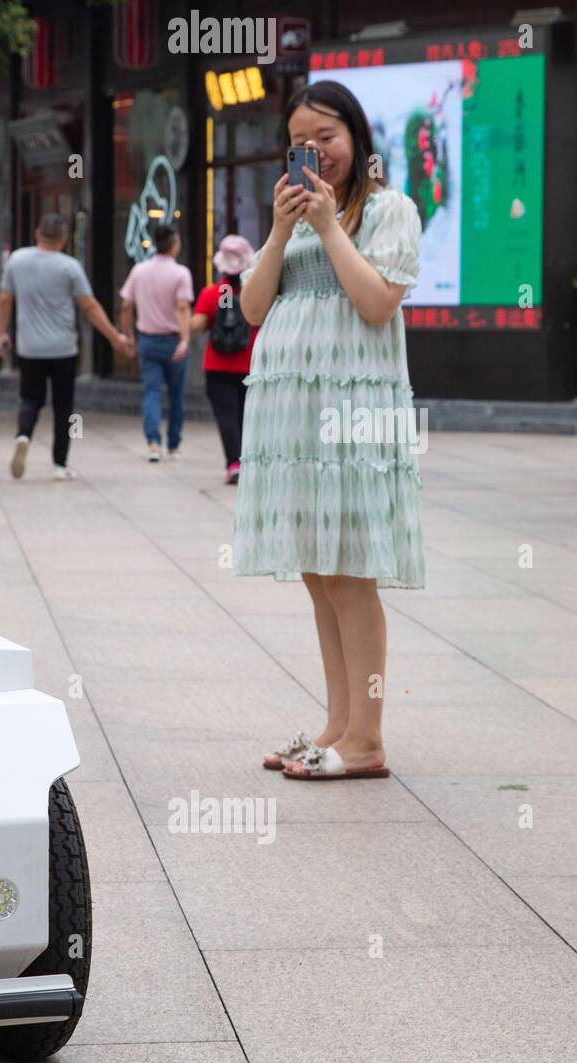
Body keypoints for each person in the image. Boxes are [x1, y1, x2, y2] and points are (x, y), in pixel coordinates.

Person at [236, 79, 423, 781]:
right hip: (294, 414)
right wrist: (284, 229)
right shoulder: (291, 213)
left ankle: (367, 738)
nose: (316, 151)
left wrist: (327, 227)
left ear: (358, 139)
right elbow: (254, 309)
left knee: (351, 573)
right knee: (320, 572)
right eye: (302, 141)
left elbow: (376, 302)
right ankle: (339, 724)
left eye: (328, 137)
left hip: (353, 411)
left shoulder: (388, 208)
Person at [0, 213, 131, 480]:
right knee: (63, 407)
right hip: (63, 349)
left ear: (37, 234)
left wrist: (1, 333)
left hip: (29, 348)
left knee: (30, 399)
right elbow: (89, 307)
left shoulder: (17, 260)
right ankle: (59, 464)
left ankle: (23, 436)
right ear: (64, 239)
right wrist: (114, 337)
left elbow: (3, 300)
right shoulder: (70, 267)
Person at [118, 223, 193, 462]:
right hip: (172, 340)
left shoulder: (139, 270)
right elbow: (182, 308)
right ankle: (173, 445)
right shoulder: (181, 273)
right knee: (176, 395)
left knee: (151, 393)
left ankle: (152, 444)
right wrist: (185, 340)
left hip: (147, 341)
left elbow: (126, 305)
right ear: (174, 244)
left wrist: (127, 334)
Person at [191, 234, 258, 484]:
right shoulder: (255, 291)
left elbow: (197, 324)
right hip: (250, 365)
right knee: (246, 416)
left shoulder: (214, 293)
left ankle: (233, 463)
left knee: (226, 416)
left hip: (217, 366)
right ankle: (248, 462)